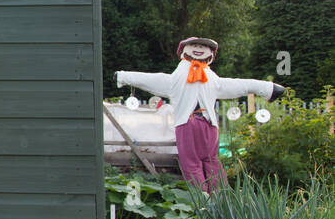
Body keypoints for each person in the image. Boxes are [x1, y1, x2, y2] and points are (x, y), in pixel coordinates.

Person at [116, 37, 285, 190]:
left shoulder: (208, 78)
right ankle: (212, 196)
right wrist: (124, 76)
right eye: (194, 46)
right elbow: (152, 79)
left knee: (199, 162)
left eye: (202, 46)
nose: (198, 48)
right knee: (202, 162)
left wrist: (267, 88)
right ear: (184, 50)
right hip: (198, 124)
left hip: (197, 125)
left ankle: (210, 197)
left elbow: (238, 85)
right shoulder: (182, 78)